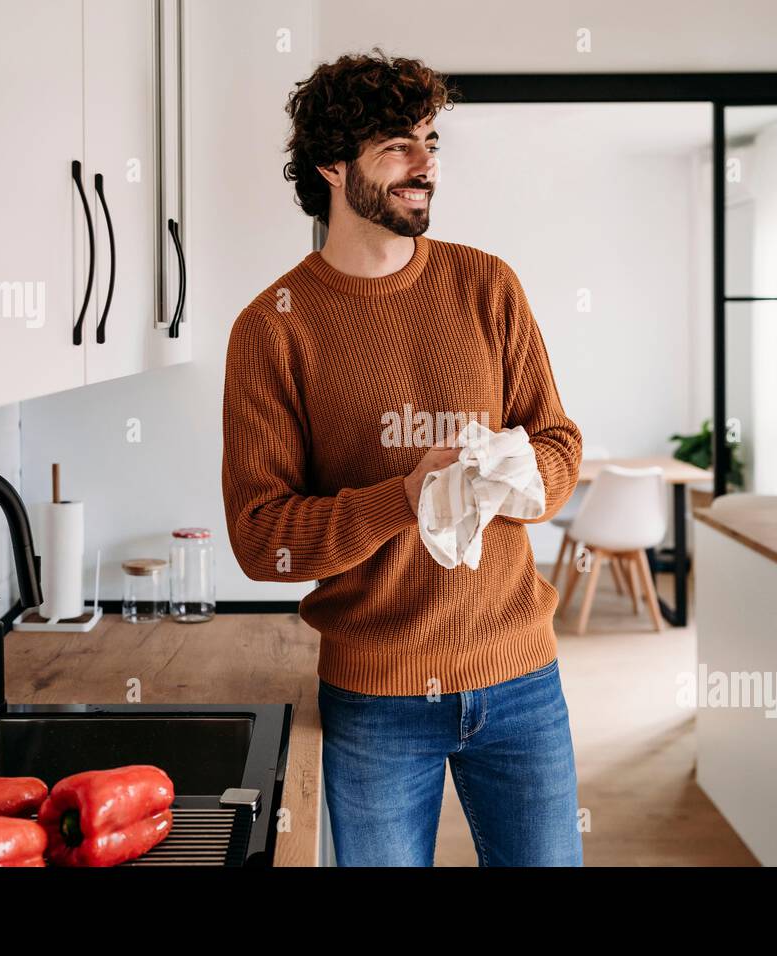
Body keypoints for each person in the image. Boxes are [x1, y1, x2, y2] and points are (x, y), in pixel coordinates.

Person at [221, 48, 584, 866]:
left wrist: (529, 483)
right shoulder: (274, 327)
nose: (426, 166)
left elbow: (556, 437)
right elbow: (259, 536)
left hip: (521, 676)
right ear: (332, 167)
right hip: (375, 701)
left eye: (430, 141)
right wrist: (404, 497)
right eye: (396, 146)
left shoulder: (488, 286)